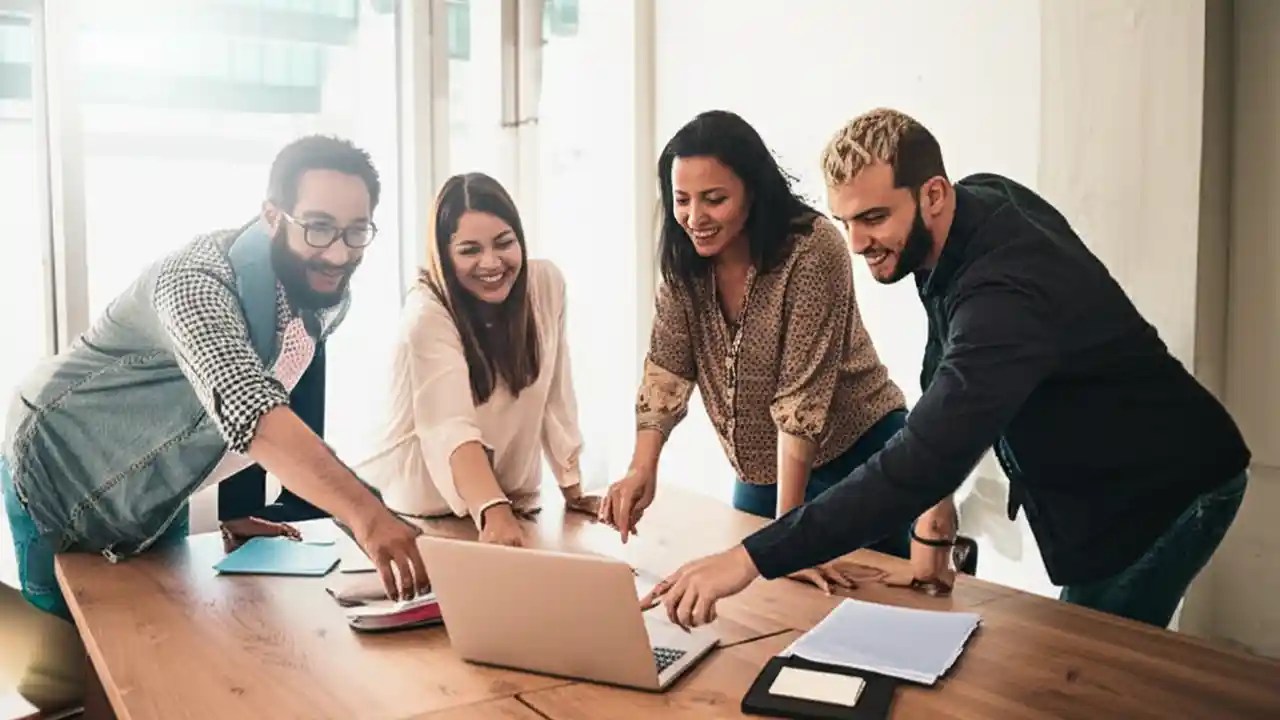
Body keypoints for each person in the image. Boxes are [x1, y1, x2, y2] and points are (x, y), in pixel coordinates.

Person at [641, 107, 1251, 630]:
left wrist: (748, 558)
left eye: (874, 218)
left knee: (1090, 676)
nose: (855, 243)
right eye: (846, 219)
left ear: (932, 193)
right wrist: (935, 513)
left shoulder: (1005, 295)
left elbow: (926, 452)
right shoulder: (977, 203)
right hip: (1109, 473)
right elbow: (945, 355)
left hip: (1165, 488)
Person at [1, 135, 428, 714]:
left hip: (155, 482)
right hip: (53, 464)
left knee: (160, 650)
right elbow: (246, 403)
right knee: (74, 674)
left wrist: (237, 510)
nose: (338, 253)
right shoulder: (195, 281)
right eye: (320, 227)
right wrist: (369, 515)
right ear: (273, 216)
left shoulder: (323, 291)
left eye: (358, 231)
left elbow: (272, 387)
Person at [599, 110, 957, 591]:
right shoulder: (685, 260)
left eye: (714, 199)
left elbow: (801, 400)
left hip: (860, 463)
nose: (694, 218)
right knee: (759, 616)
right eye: (681, 200)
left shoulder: (811, 250)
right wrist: (641, 468)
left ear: (752, 190)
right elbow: (667, 368)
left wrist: (788, 539)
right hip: (763, 472)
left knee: (870, 619)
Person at [355, 172, 599, 547]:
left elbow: (557, 391)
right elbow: (449, 425)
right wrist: (493, 509)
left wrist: (572, 486)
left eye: (504, 243)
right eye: (469, 250)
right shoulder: (426, 313)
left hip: (509, 505)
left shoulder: (545, 284)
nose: (491, 263)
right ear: (445, 255)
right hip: (422, 511)